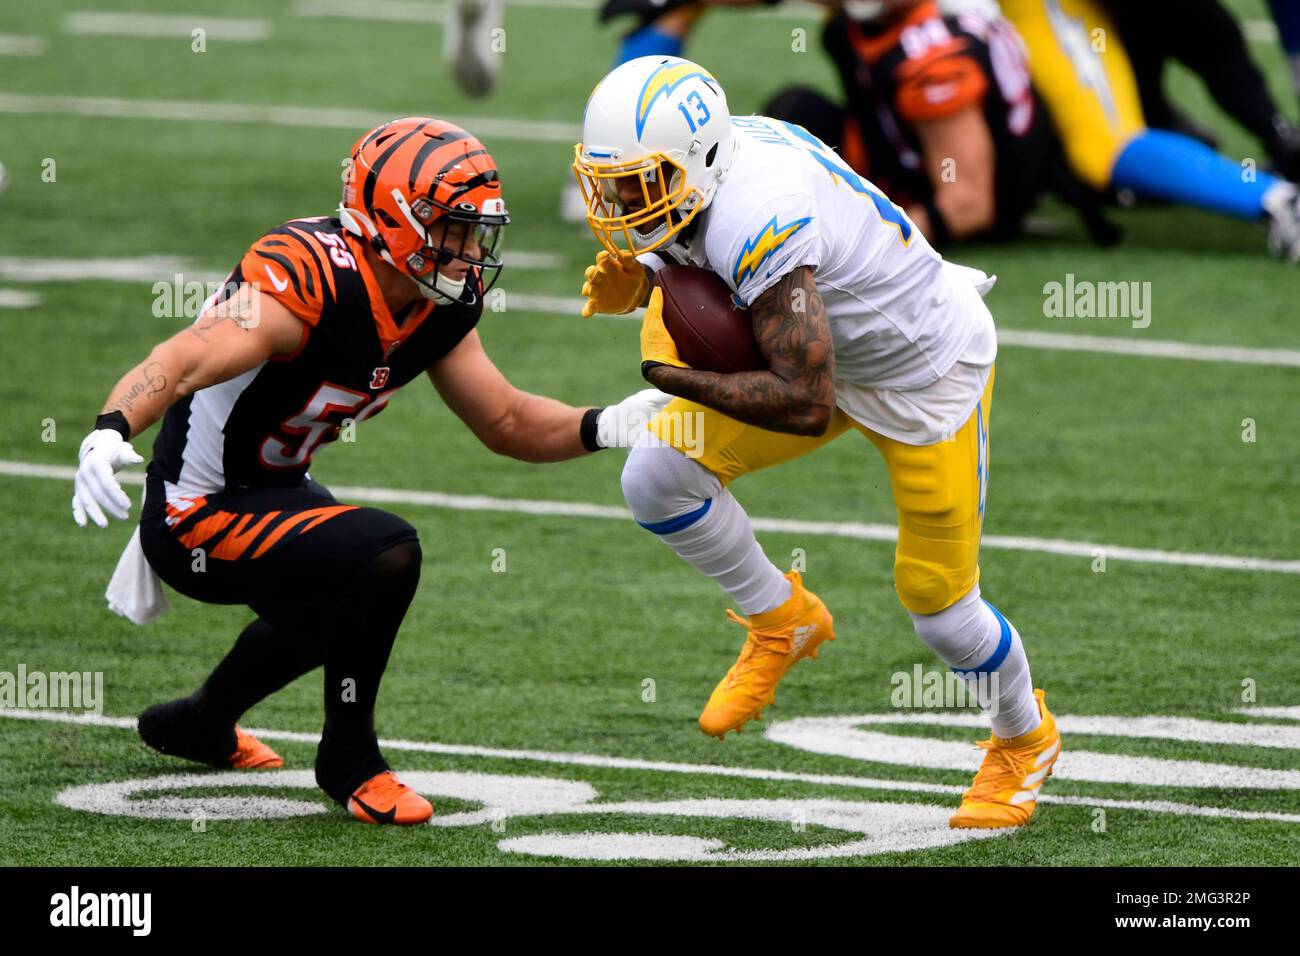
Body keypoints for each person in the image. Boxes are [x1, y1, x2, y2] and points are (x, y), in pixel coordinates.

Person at [72, 117, 669, 826]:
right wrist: (109, 430)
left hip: (275, 494)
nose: (472, 249)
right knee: (383, 553)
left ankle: (203, 721)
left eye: (478, 230)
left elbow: (505, 421)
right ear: (392, 218)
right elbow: (182, 362)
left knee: (340, 592)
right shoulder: (309, 277)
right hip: (193, 515)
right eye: (454, 228)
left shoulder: (435, 302)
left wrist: (606, 424)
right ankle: (349, 759)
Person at [573, 56, 1061, 829]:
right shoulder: (711, 170)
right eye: (613, 184)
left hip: (922, 377)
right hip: (821, 353)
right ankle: (782, 618)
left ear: (698, 163)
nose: (619, 204)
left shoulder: (755, 211)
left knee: (939, 605)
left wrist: (670, 378)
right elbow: (710, 272)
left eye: (640, 184)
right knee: (656, 476)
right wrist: (648, 279)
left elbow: (804, 400)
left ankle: (1023, 739)